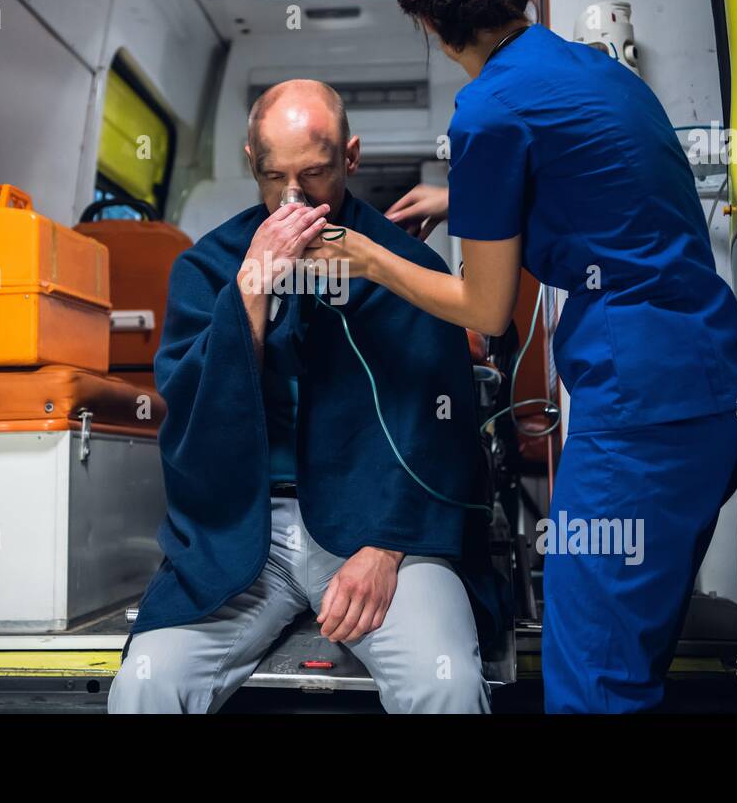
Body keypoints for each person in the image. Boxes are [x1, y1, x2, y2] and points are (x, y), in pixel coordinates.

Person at [317, 0, 737, 713]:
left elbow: (484, 312)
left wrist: (366, 256)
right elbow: (599, 189)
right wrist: (464, 201)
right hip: (707, 382)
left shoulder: (489, 111)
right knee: (630, 662)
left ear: (434, 25)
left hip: (640, 417)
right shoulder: (593, 72)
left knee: (590, 683)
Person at [106, 79, 511, 714]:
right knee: (147, 682)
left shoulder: (405, 266)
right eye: (274, 177)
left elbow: (444, 432)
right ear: (250, 162)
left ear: (350, 157)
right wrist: (249, 294)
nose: (293, 197)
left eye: (316, 173)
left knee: (446, 683)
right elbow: (189, 422)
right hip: (243, 533)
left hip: (379, 531)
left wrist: (387, 548)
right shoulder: (207, 267)